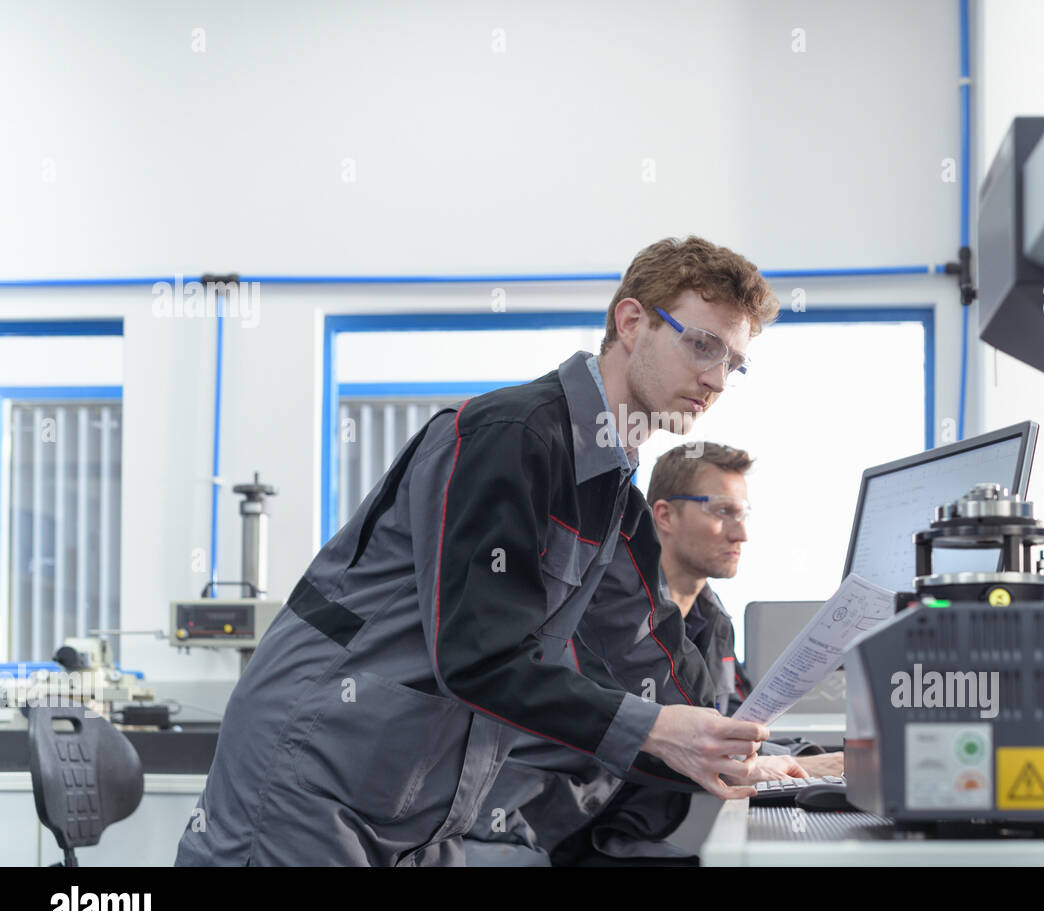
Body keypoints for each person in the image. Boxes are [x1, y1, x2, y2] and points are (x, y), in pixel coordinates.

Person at [174, 236, 797, 866]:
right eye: (702, 345)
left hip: (426, 801)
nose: (717, 379)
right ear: (631, 322)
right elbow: (481, 657)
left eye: (735, 363)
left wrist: (765, 757)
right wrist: (663, 732)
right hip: (311, 775)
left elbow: (646, 648)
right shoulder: (510, 437)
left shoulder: (612, 488)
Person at [464, 443, 843, 866]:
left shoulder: (711, 620)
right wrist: (812, 765)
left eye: (744, 514)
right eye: (722, 511)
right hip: (534, 833)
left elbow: (735, 720)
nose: (741, 534)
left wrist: (812, 757)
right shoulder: (605, 614)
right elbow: (666, 732)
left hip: (613, 830)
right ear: (663, 515)